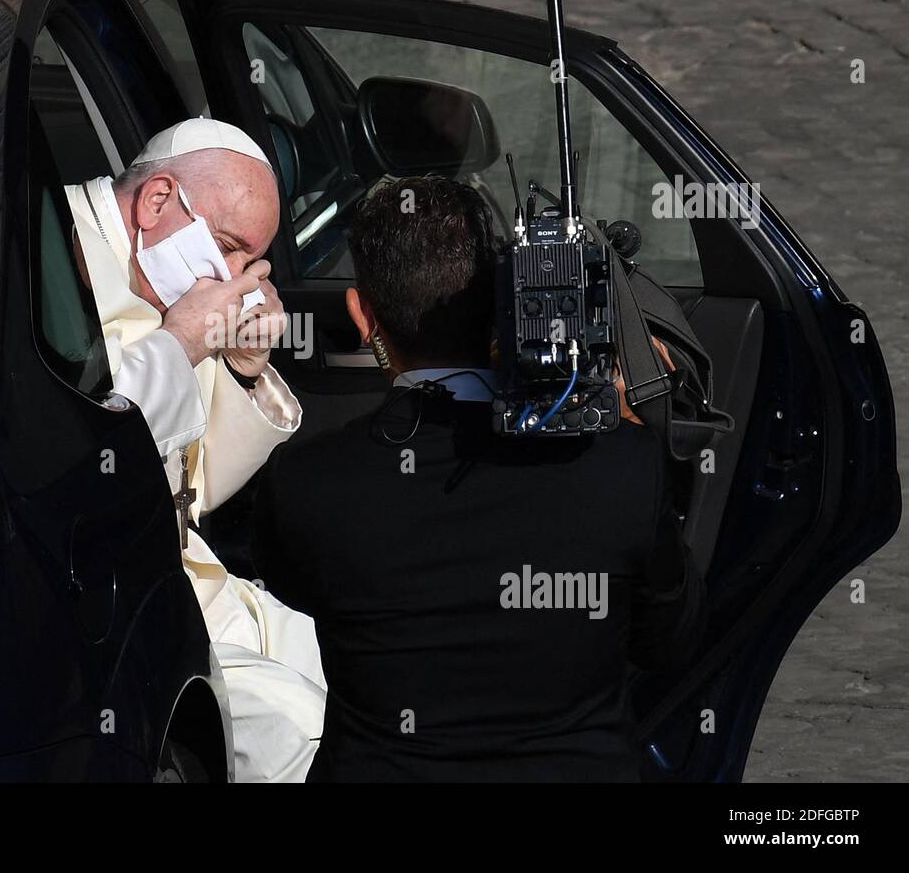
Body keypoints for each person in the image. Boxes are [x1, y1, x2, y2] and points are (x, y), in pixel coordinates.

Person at [254, 175, 705, 782]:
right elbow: (668, 643)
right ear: (505, 301)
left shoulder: (308, 482)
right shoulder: (621, 467)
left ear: (362, 316)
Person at [65, 118, 325, 782]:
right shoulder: (50, 248)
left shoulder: (173, 280)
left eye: (254, 265)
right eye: (233, 251)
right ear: (157, 202)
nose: (241, 282)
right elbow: (80, 467)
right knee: (296, 731)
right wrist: (178, 346)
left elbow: (192, 494)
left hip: (187, 572)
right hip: (104, 601)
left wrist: (238, 366)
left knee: (356, 670)